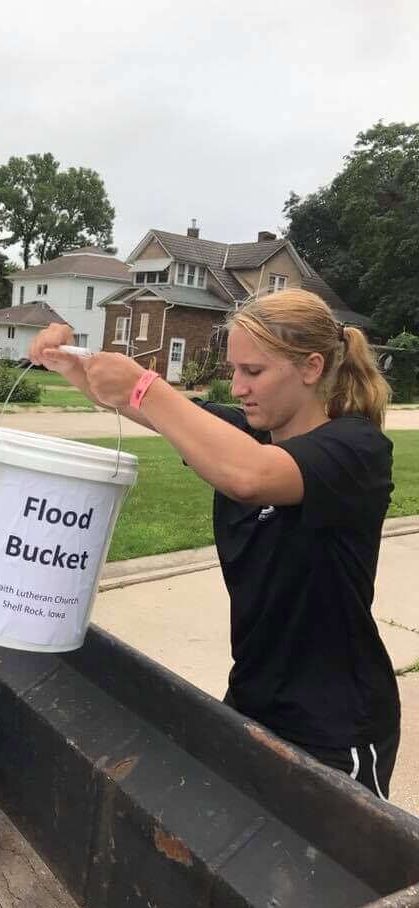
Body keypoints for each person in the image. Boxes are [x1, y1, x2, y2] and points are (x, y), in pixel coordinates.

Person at [28, 288, 400, 800]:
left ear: (312, 368)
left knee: (347, 876)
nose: (239, 386)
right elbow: (150, 411)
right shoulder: (244, 435)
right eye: (234, 370)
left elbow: (249, 477)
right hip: (253, 698)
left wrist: (144, 385)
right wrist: (66, 361)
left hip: (337, 725)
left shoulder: (355, 450)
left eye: (255, 371)